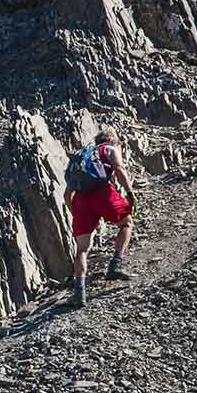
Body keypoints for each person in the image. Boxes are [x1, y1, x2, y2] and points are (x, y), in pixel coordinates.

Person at [64, 128, 137, 308]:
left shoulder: (82, 157)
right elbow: (118, 169)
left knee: (82, 249)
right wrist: (130, 193)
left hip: (80, 199)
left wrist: (76, 212)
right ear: (111, 139)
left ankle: (79, 293)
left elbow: (67, 194)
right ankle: (115, 265)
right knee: (126, 223)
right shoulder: (108, 149)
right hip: (102, 192)